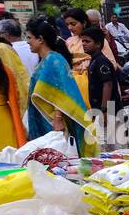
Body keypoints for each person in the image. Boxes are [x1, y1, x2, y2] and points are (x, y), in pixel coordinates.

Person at [25, 17, 96, 155]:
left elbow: (61, 92)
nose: (27, 42)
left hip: (52, 121)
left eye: (29, 38)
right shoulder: (47, 60)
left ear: (40, 39)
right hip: (43, 118)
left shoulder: (54, 60)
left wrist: (57, 119)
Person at [81, 25, 119, 117]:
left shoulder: (101, 61)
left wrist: (104, 110)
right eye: (82, 41)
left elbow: (108, 84)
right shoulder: (94, 60)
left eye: (87, 41)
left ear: (98, 44)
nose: (83, 44)